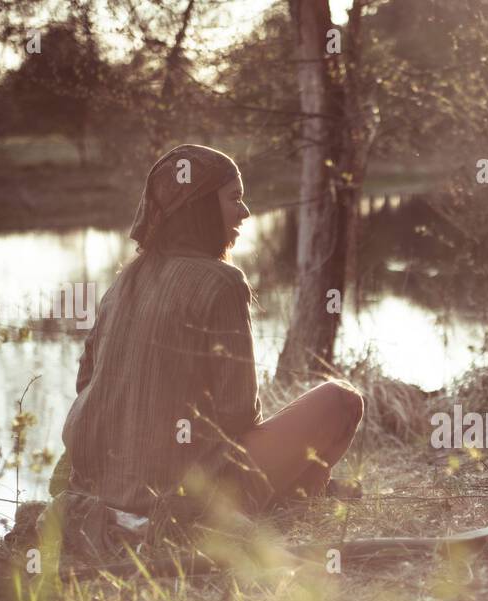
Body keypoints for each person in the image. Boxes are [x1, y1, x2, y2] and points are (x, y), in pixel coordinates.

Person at [47, 144, 363, 559]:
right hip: (188, 496)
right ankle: (288, 500)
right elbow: (237, 413)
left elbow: (85, 383)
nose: (245, 212)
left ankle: (298, 496)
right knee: (342, 400)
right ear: (199, 207)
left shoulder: (121, 284)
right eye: (234, 198)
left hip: (103, 488)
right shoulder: (222, 282)